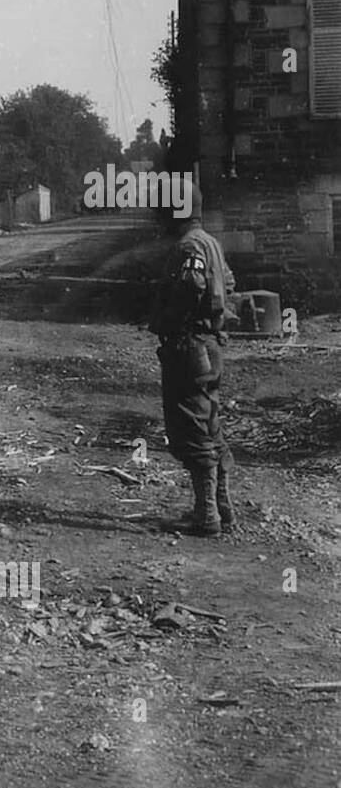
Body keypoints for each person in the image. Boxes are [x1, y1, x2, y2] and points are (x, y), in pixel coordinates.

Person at [149, 186, 236, 536]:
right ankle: (222, 507)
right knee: (210, 423)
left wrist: (168, 321)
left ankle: (207, 515)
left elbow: (191, 285)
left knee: (192, 426)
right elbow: (227, 281)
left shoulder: (188, 246)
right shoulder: (210, 242)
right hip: (210, 343)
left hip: (190, 345)